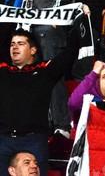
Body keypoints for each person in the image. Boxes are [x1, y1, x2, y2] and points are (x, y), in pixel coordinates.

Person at [0, 29, 75, 168]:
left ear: (33, 50)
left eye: (20, 43)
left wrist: (77, 22)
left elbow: (70, 53)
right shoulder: (2, 70)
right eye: (12, 44)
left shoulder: (44, 71)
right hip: (3, 140)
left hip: (34, 141)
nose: (15, 47)